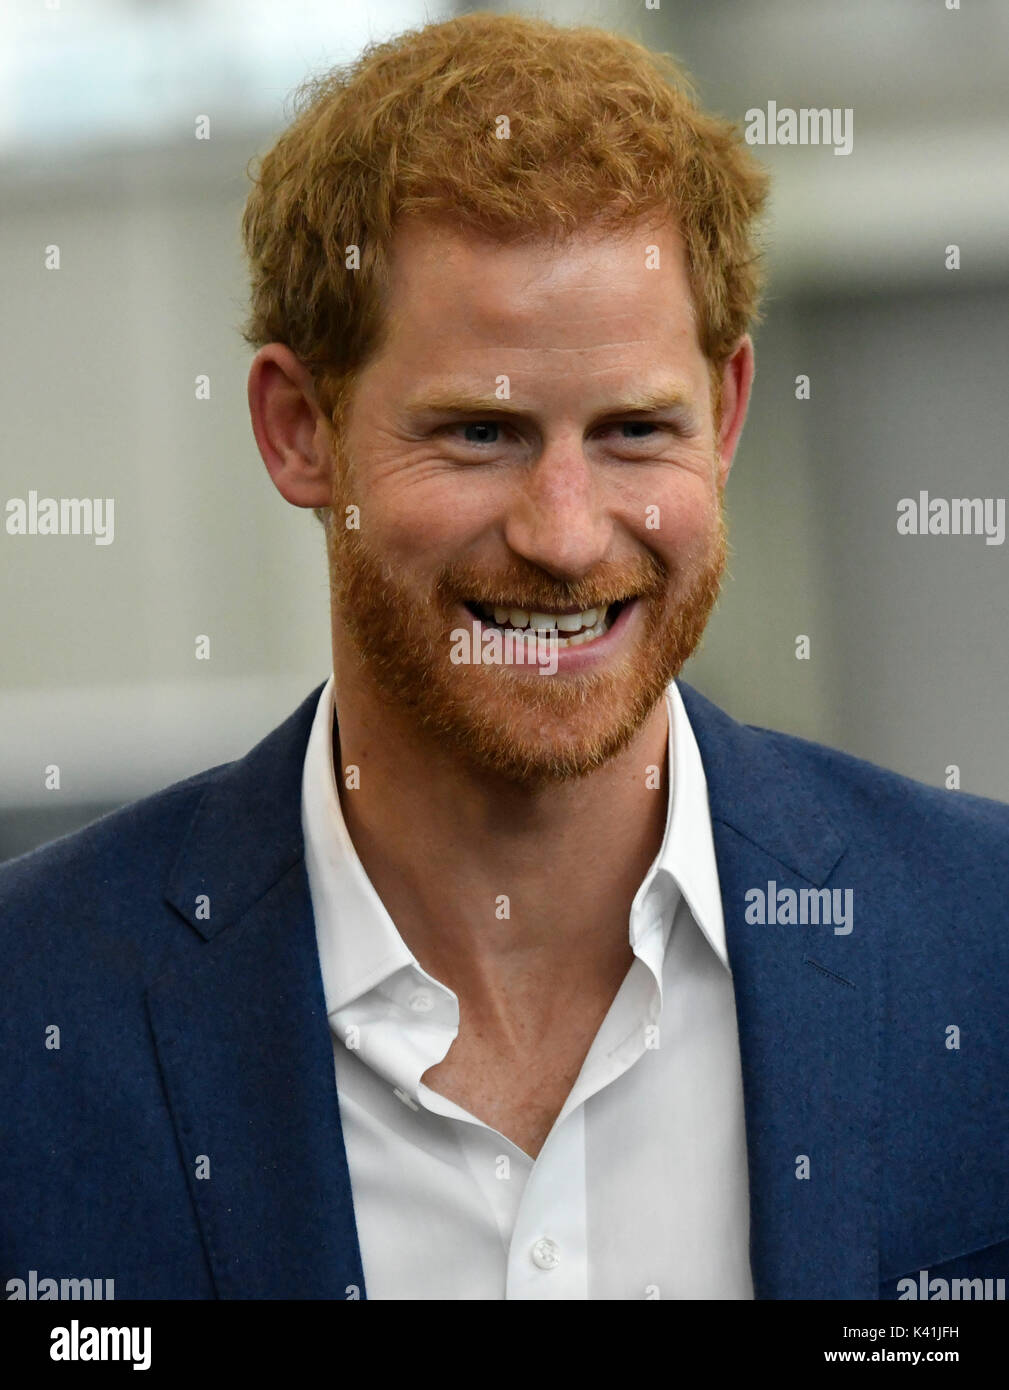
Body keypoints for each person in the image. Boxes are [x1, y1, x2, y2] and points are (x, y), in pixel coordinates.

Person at [3, 12, 1007, 1302]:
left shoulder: (979, 951)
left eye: (638, 429)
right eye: (481, 434)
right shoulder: (39, 1021)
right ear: (299, 429)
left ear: (732, 414)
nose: (567, 535)